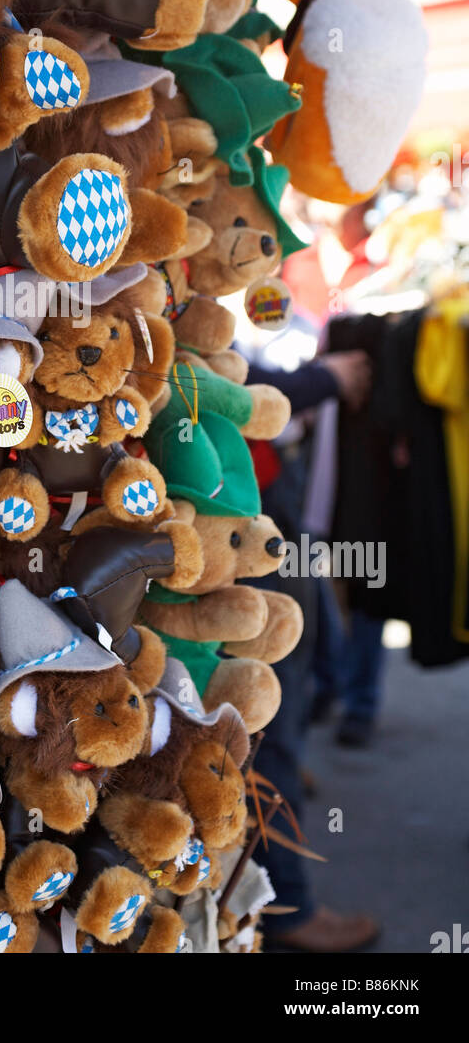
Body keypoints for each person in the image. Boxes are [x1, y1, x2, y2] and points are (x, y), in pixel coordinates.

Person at [243, 347, 381, 952]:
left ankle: (269, 903)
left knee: (268, 718)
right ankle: (287, 910)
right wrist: (325, 378)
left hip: (262, 510)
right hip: (245, 524)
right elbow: (228, 380)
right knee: (267, 721)